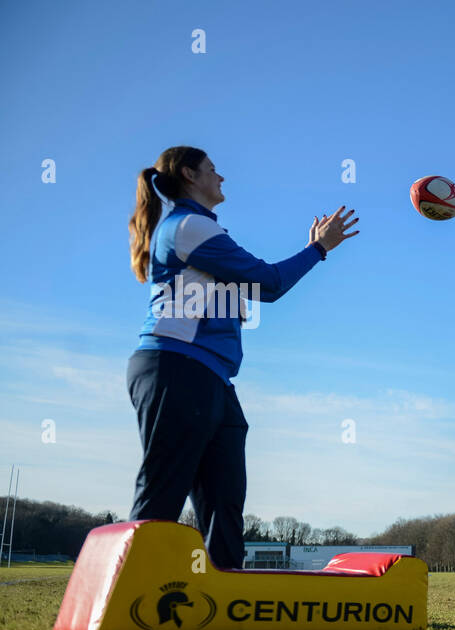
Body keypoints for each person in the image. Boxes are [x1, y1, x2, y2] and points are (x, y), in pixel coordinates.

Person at [126, 146, 357, 569]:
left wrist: (311, 251)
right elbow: (268, 283)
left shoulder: (201, 229)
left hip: (211, 378)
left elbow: (260, 286)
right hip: (175, 367)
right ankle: (132, 601)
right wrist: (319, 249)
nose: (222, 177)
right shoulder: (189, 226)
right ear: (189, 175)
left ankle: (222, 607)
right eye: (214, 170)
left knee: (225, 498)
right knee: (163, 491)